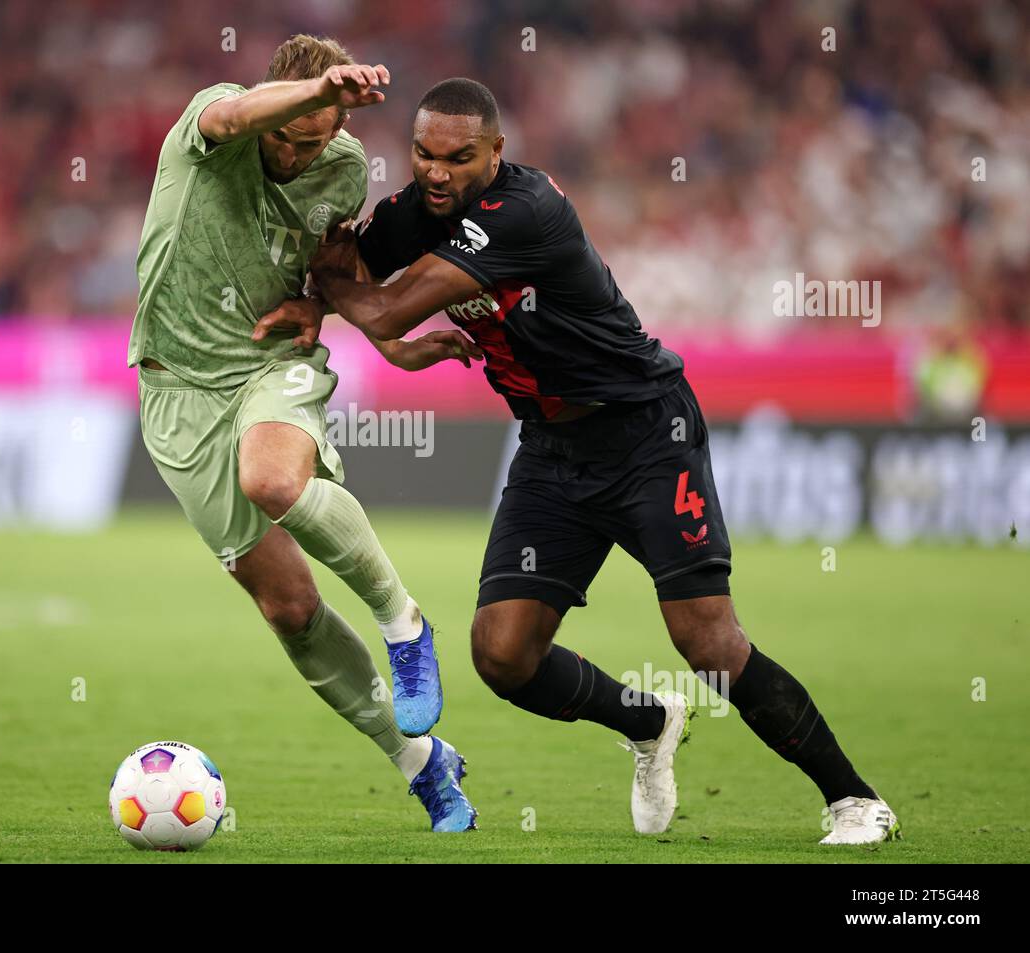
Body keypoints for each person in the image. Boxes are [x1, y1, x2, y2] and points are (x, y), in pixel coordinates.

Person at [267, 77, 896, 844]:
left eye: (459, 158)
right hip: (551, 448)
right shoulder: (418, 212)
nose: (437, 172)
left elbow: (384, 301)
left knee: (707, 642)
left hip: (642, 434)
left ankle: (854, 799)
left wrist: (340, 295)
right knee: (502, 654)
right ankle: (647, 720)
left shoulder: (523, 213)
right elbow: (356, 270)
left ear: (496, 153)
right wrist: (327, 298)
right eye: (424, 155)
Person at [129, 40, 478, 831]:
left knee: (274, 480)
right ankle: (422, 761)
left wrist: (381, 336)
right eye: (286, 135)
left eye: (313, 139)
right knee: (289, 607)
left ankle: (405, 624)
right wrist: (313, 90)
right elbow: (239, 116)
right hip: (175, 397)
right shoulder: (217, 118)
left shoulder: (345, 170)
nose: (292, 152)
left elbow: (329, 275)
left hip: (268, 364)